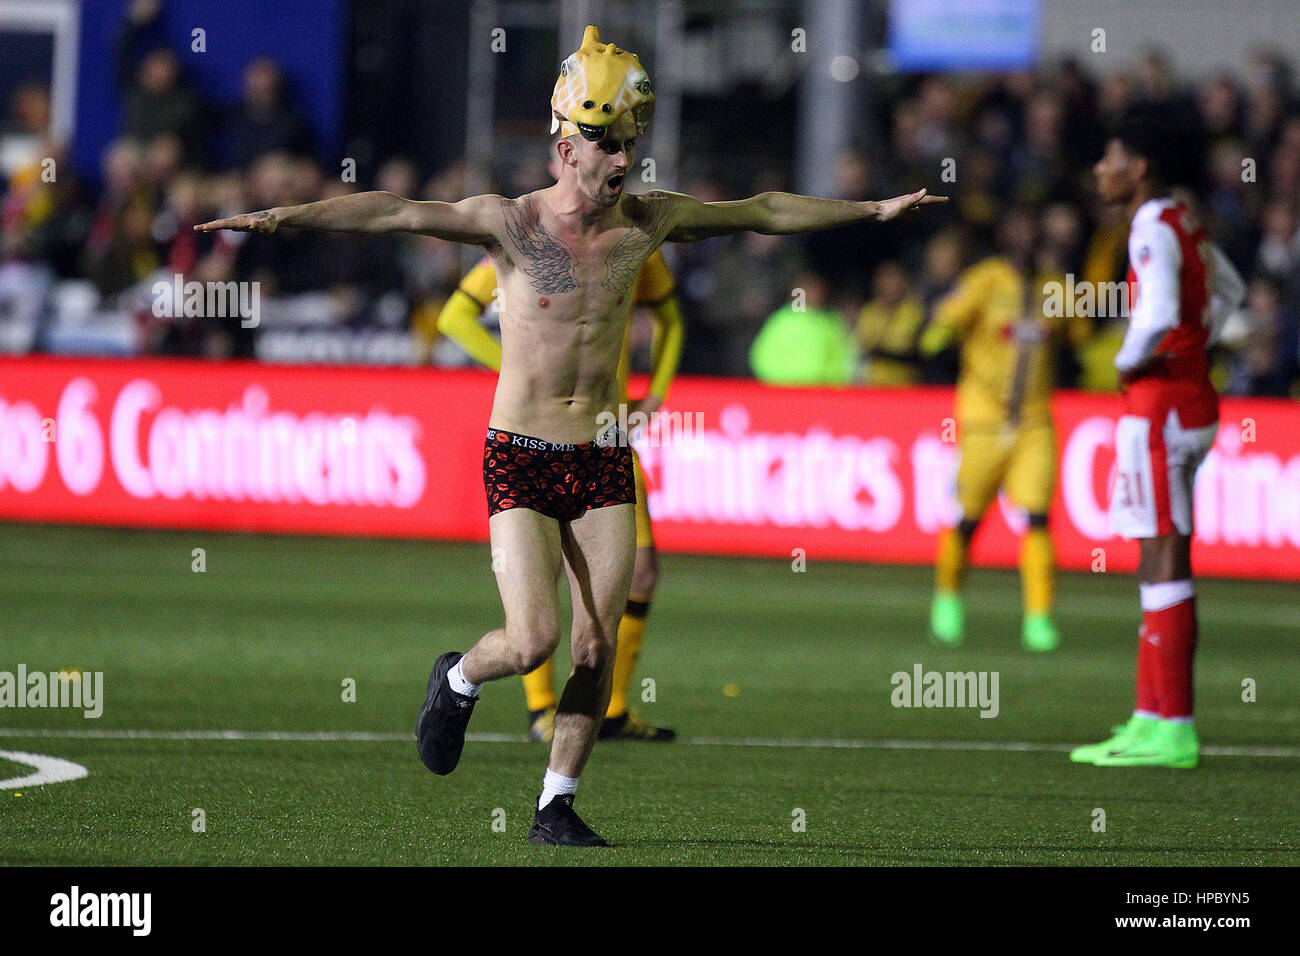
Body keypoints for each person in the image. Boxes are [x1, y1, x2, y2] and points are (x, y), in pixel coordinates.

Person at [197, 24, 945, 845]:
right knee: (533, 640)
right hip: (519, 455)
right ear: (563, 146)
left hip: (603, 460)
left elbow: (763, 210)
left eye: (627, 139)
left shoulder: (649, 223)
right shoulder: (508, 224)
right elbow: (396, 213)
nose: (620, 156)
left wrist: (872, 208)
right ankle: (458, 675)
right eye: (602, 139)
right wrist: (286, 216)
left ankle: (555, 804)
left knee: (595, 643)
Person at [437, 180, 684, 743]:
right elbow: (454, 316)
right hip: (535, 433)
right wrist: (518, 368)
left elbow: (671, 319)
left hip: (607, 435)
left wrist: (658, 392)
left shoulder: (634, 237)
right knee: (539, 605)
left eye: (622, 144)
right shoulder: (528, 232)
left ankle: (613, 712)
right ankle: (540, 706)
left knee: (640, 573)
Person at [1071, 120, 1244, 769]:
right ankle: (1151, 716)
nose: (1098, 169)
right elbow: (1229, 291)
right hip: (1190, 402)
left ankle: (1175, 728)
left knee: (1164, 558)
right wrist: (1196, 345)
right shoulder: (1185, 222)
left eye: (1108, 157)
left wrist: (1127, 358)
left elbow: (1162, 308)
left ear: (1138, 165)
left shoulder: (1148, 225)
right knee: (1158, 558)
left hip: (1160, 409)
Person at [920, 206, 1091, 652]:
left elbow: (1082, 337)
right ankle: (948, 597)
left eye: (1034, 232)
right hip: (982, 421)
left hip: (1034, 421)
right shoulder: (983, 281)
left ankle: (1038, 619)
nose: (1028, 241)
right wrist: (940, 325)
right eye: (1019, 231)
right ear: (1005, 238)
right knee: (967, 519)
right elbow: (939, 326)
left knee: (1037, 517)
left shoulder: (1058, 287)